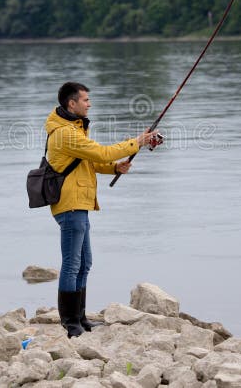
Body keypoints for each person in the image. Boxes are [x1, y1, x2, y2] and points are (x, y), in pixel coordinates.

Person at [45, 82, 160, 338]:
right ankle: (70, 323)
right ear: (71, 104)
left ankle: (81, 318)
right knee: (72, 263)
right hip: (71, 204)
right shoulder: (65, 133)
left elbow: (88, 162)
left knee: (85, 263)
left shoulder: (74, 128)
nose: (89, 103)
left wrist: (114, 168)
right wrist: (137, 141)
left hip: (81, 203)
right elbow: (101, 152)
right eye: (85, 100)